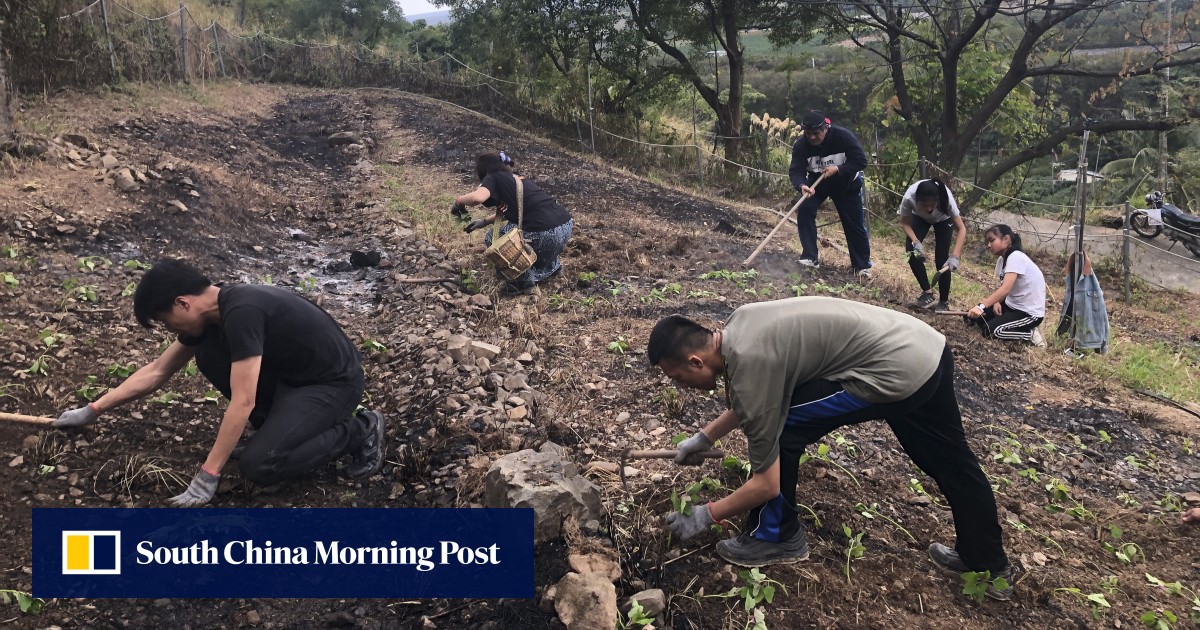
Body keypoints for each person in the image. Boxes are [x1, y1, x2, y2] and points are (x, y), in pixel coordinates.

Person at [648, 297, 1014, 600]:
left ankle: (777, 536)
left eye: (679, 378)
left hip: (892, 372)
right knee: (953, 461)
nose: (682, 387)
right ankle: (988, 563)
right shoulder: (739, 325)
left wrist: (706, 514)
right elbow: (757, 396)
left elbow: (767, 483)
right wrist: (707, 437)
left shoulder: (751, 362)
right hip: (924, 349)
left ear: (696, 361)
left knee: (783, 427)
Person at [53, 259, 387, 506]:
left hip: (332, 384)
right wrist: (93, 409)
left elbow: (244, 400)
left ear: (182, 302)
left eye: (164, 320)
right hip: (292, 378)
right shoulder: (213, 314)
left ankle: (360, 430)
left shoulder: (242, 311)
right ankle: (279, 432)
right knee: (208, 354)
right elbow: (157, 371)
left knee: (260, 464)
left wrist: (207, 476)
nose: (169, 328)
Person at [451, 151, 574, 295]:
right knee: (518, 230)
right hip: (565, 227)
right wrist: (484, 222)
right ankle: (553, 268)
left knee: (494, 238)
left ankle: (522, 282)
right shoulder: (518, 179)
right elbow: (516, 211)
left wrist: (459, 201)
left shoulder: (493, 177)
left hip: (542, 233)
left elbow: (478, 198)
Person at [788, 111, 872, 278]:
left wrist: (839, 169)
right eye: (808, 134)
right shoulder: (800, 145)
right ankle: (810, 257)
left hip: (846, 183)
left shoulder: (843, 137)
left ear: (825, 128)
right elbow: (796, 171)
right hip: (817, 183)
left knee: (854, 223)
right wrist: (802, 185)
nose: (811, 137)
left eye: (816, 133)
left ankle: (861, 266)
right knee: (805, 209)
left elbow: (860, 161)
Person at [966, 224, 1047, 347]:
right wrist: (997, 302)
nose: (988, 245)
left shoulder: (1016, 257)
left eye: (992, 240)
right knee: (972, 317)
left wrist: (981, 306)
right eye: (987, 242)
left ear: (1006, 239)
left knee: (991, 331)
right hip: (1011, 305)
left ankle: (1030, 334)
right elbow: (1002, 286)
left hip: (1028, 313)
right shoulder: (1001, 260)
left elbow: (1006, 288)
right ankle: (1012, 325)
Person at [899, 178, 967, 311]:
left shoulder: (946, 199)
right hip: (919, 218)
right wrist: (915, 241)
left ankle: (943, 302)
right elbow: (905, 223)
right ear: (917, 200)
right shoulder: (909, 197)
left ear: (938, 200)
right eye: (925, 205)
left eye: (933, 204)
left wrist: (955, 256)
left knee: (942, 261)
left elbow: (962, 229)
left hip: (943, 220)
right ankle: (927, 293)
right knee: (912, 252)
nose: (929, 209)